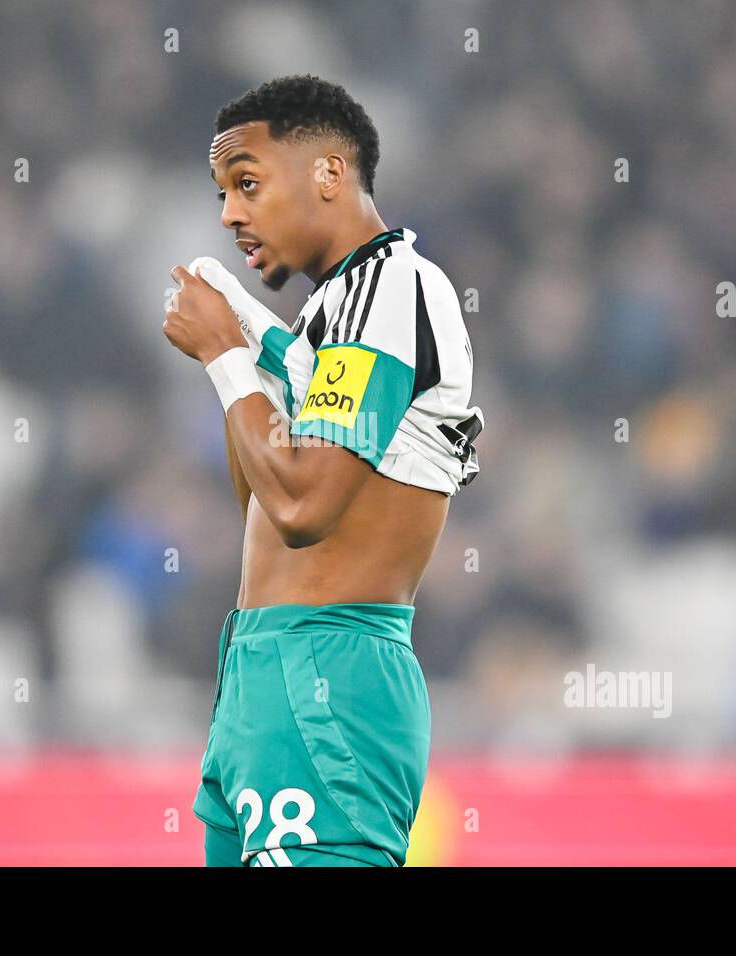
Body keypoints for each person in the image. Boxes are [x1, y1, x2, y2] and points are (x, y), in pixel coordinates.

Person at [163, 74, 483, 866]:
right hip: (260, 673)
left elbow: (306, 508)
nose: (231, 212)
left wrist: (227, 354)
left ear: (329, 174)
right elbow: (265, 504)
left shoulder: (392, 286)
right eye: (221, 195)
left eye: (246, 183)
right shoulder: (329, 317)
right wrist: (257, 368)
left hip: (329, 676)